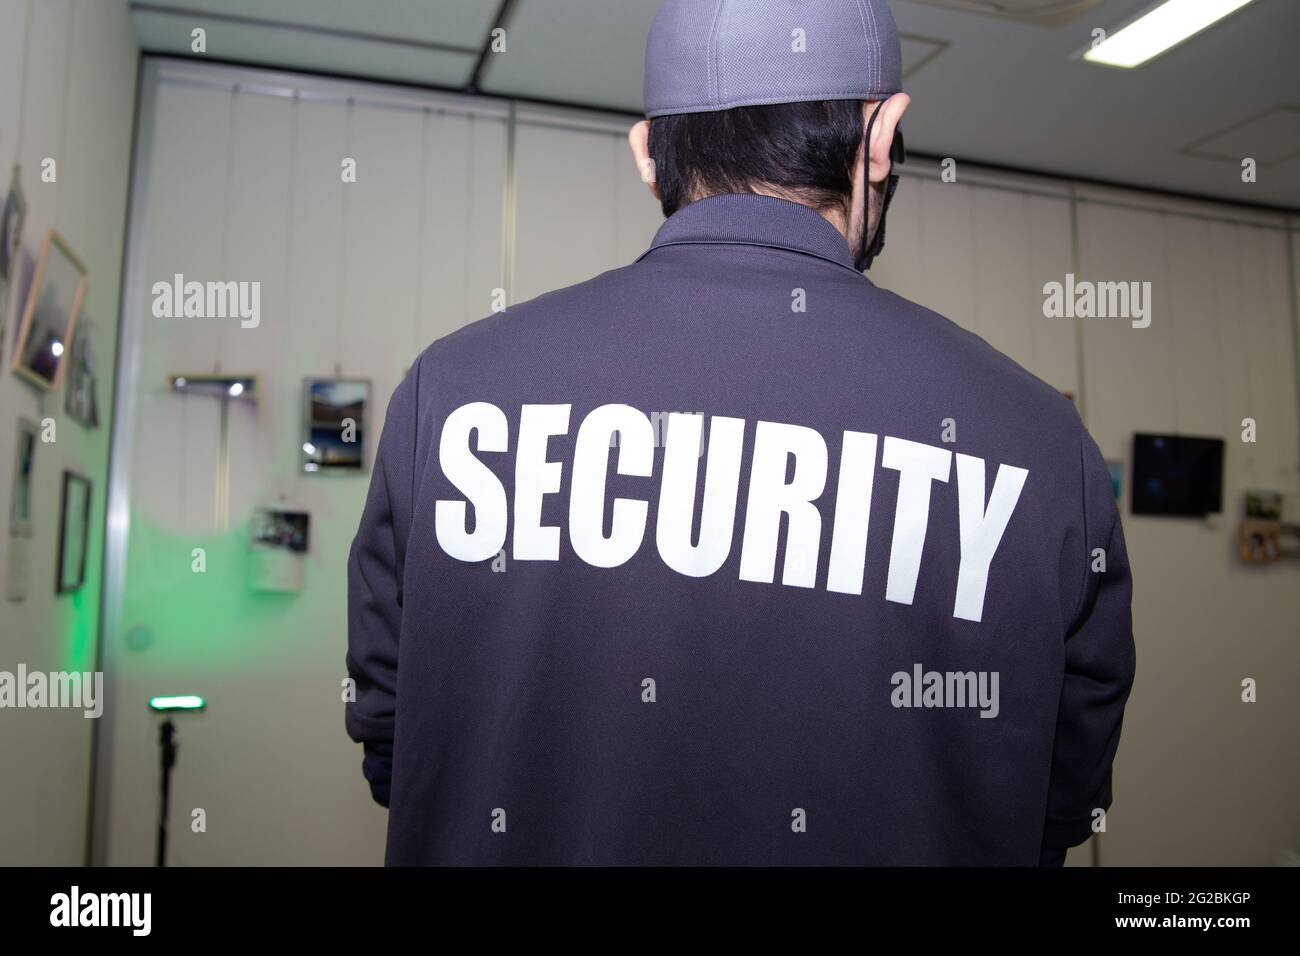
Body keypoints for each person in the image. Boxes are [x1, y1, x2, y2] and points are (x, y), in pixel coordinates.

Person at [346, 0, 1135, 866]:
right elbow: (1055, 804)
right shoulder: (1037, 440)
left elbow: (395, 737)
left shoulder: (455, 389)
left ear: (649, 154)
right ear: (882, 138)